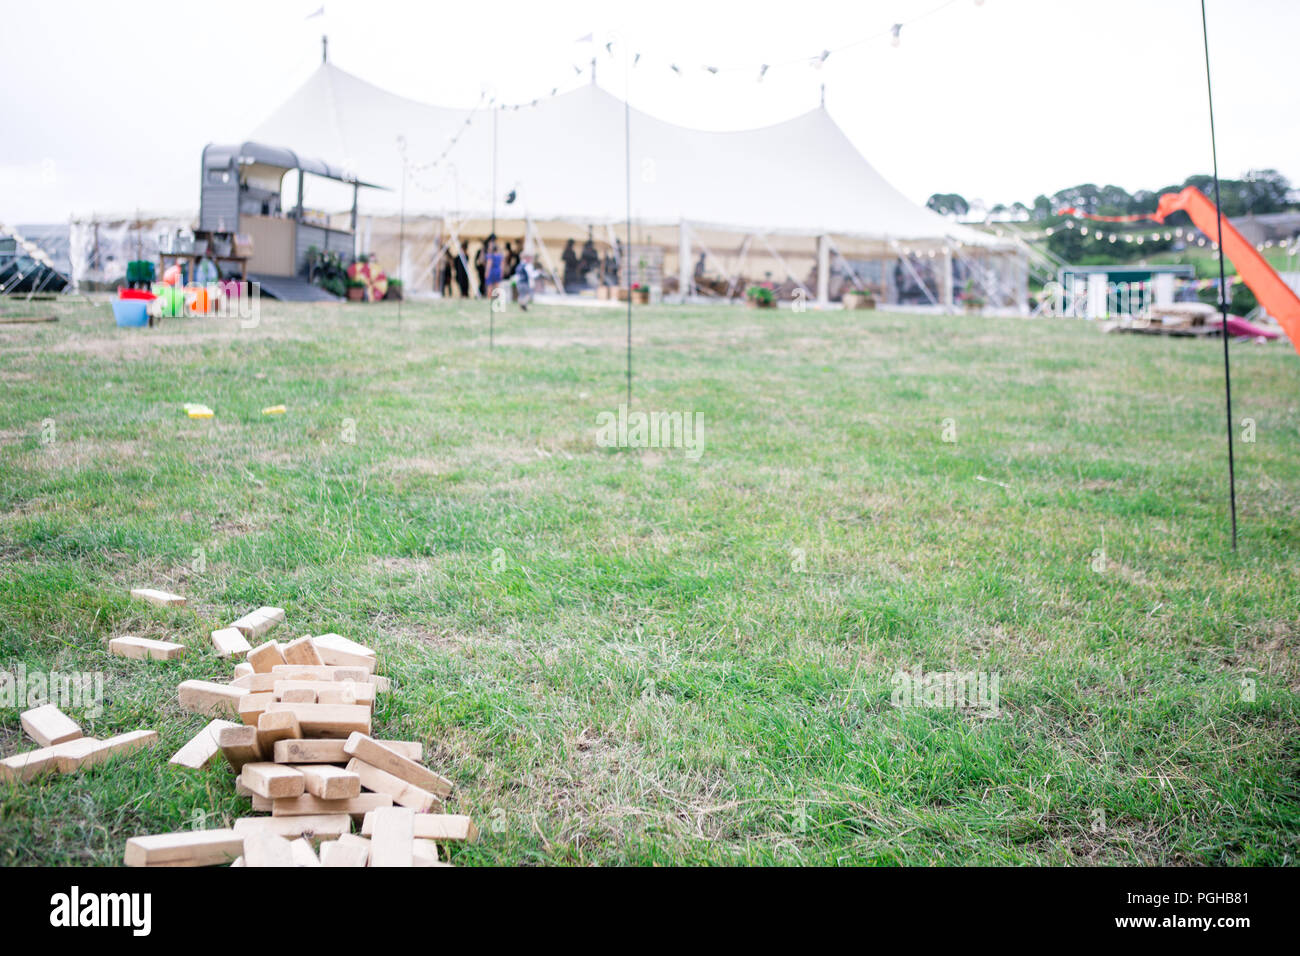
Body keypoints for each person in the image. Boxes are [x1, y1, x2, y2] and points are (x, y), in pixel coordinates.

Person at [484, 234, 504, 301]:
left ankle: (489, 298)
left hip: (492, 271)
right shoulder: (500, 255)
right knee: (497, 285)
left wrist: (487, 272)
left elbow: (489, 264)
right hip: (498, 270)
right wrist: (501, 272)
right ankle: (498, 298)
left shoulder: (490, 255)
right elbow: (502, 265)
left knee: (490, 286)